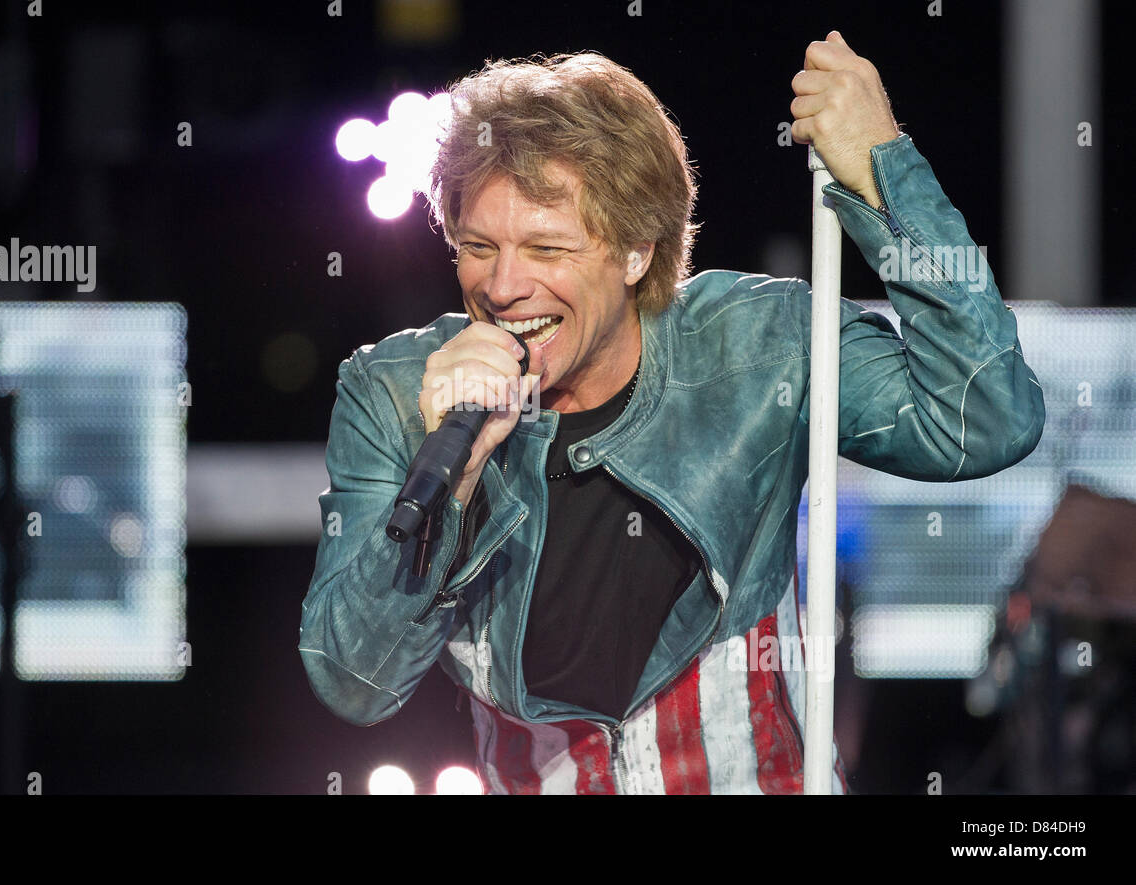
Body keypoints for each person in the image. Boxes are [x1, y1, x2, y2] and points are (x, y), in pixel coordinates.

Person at [299, 32, 1045, 793]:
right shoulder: (395, 393)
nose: (504, 284)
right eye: (477, 245)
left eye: (548, 249)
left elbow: (987, 416)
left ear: (636, 253)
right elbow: (356, 681)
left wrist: (886, 173)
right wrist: (451, 483)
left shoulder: (761, 345)